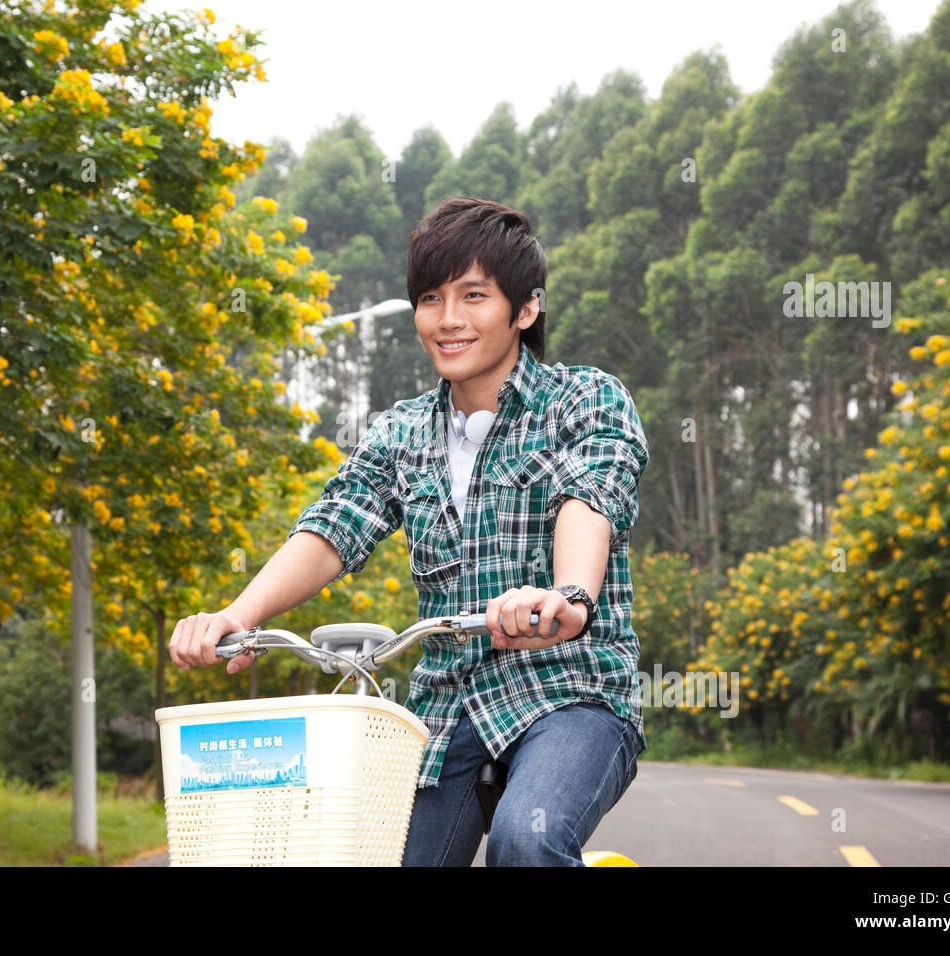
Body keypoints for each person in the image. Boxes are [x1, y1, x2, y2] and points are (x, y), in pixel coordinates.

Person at [168, 196, 648, 866]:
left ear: (526, 308)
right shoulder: (401, 433)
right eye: (430, 298)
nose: (448, 320)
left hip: (571, 694)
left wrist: (567, 595)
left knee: (527, 838)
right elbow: (336, 524)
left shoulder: (584, 400)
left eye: (474, 295)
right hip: (447, 710)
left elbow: (589, 498)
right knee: (368, 853)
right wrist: (235, 614)